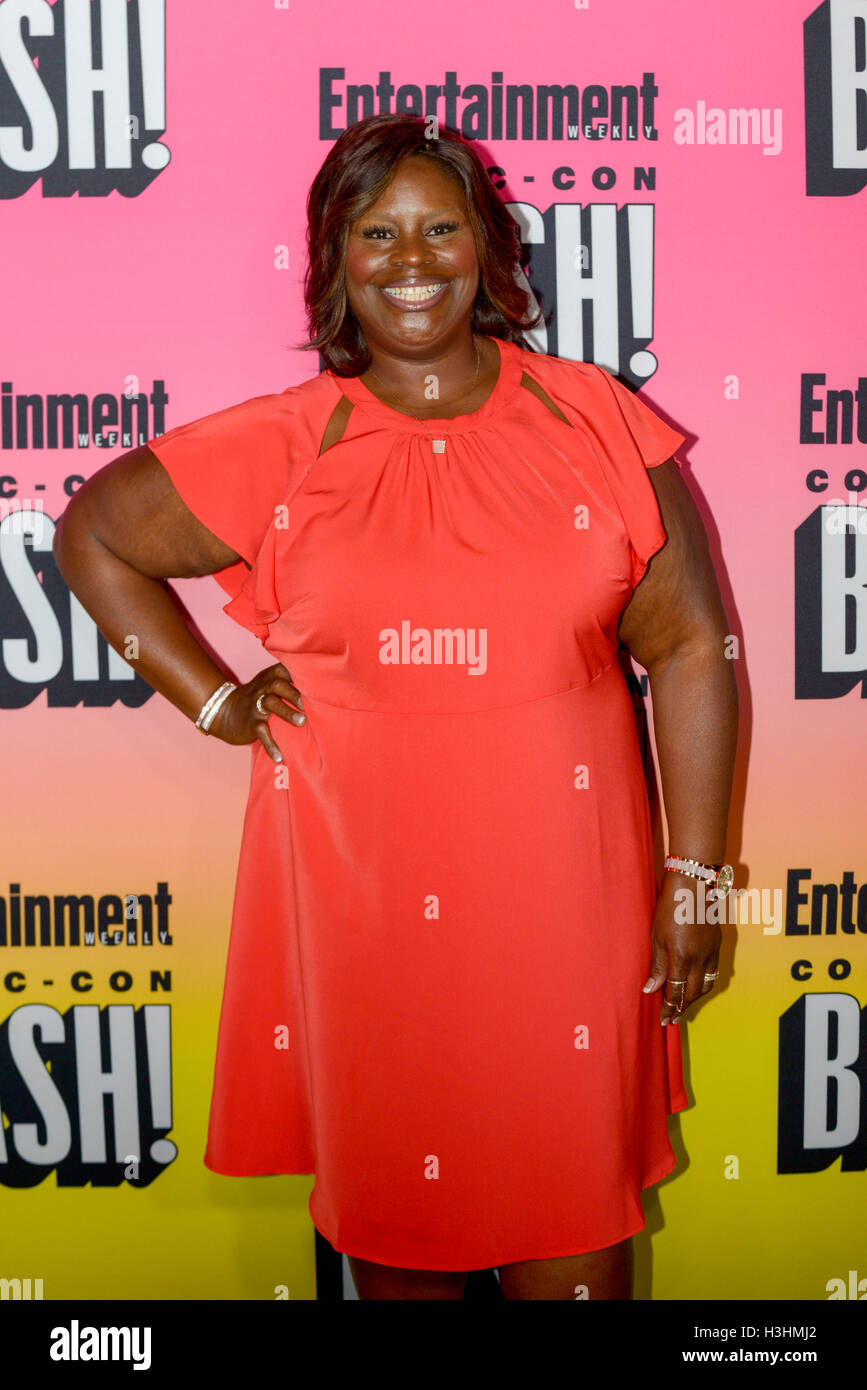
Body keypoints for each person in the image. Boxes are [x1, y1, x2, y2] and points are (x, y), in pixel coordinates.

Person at [53, 113, 738, 1301]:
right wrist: (215, 700)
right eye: (377, 233)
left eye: (439, 227)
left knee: (579, 1249)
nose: (410, 262)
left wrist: (700, 880)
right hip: (365, 915)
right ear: (334, 260)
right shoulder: (285, 443)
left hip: (569, 913)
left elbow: (688, 648)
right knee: (396, 1253)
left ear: (488, 245)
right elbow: (96, 535)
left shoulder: (595, 422)